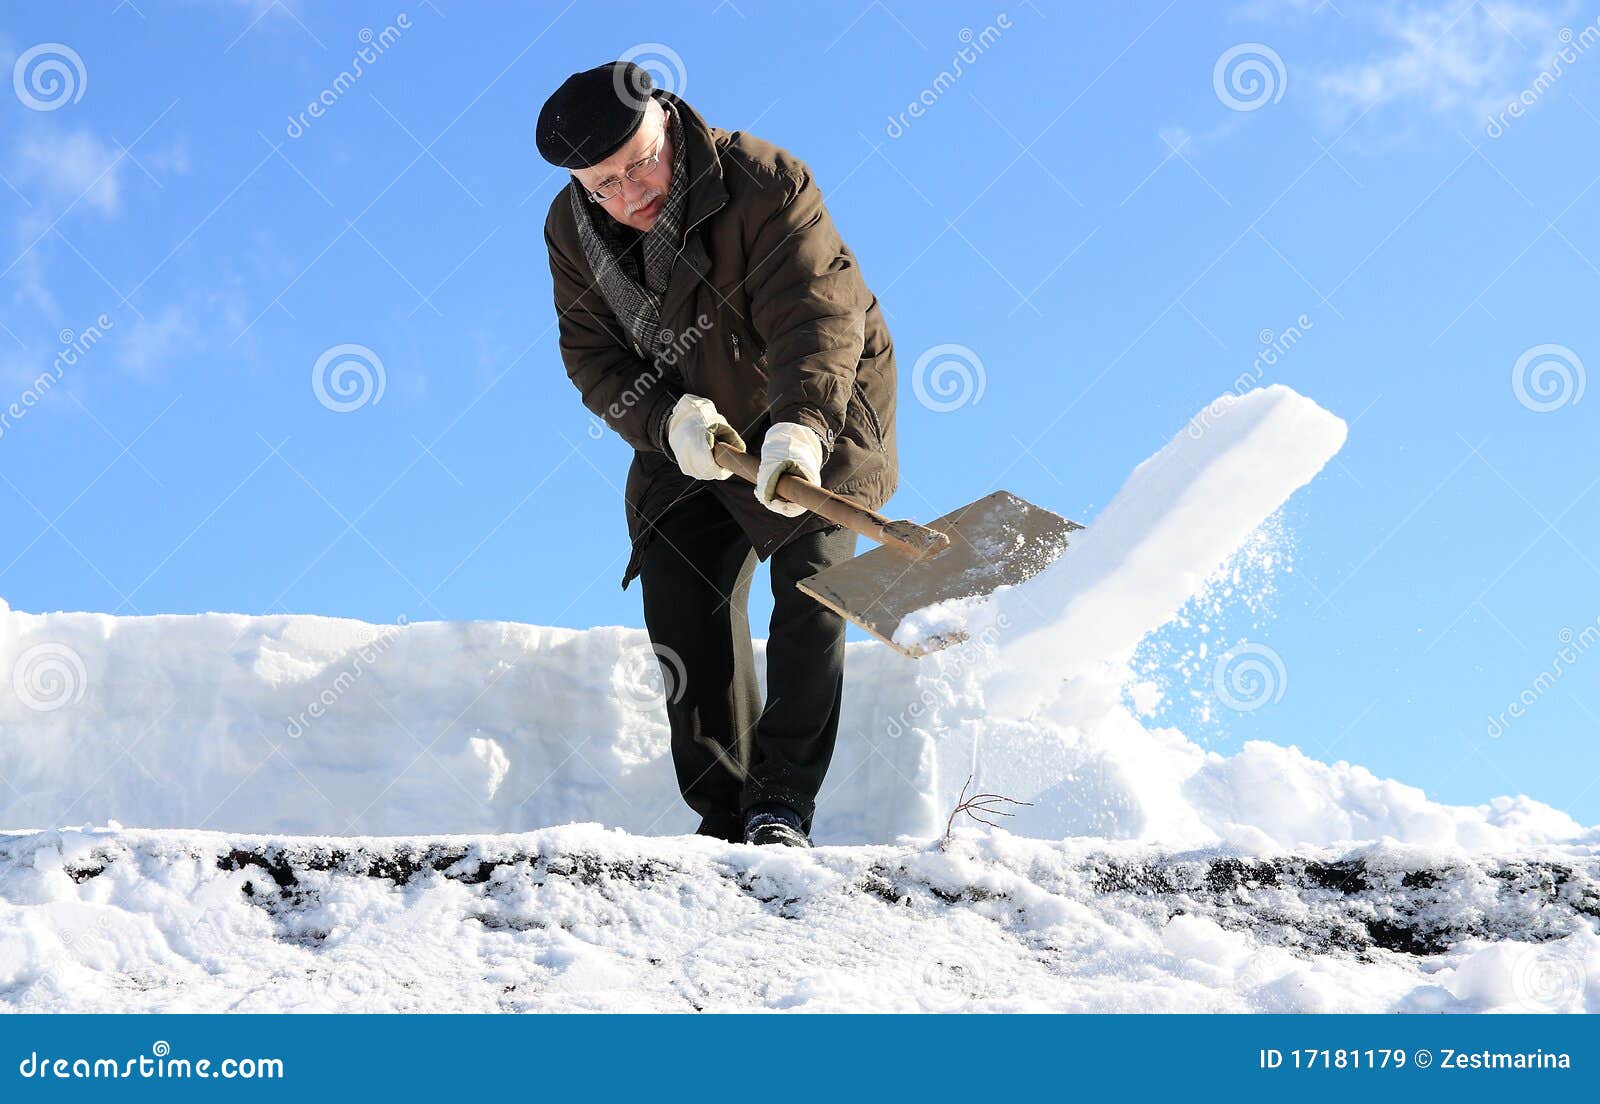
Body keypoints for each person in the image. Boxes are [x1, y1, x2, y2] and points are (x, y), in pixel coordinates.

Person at [536, 61, 897, 847]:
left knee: (814, 588)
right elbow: (592, 357)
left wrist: (799, 428)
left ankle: (780, 806)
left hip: (820, 398)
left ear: (663, 120)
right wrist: (666, 422)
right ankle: (725, 816)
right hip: (690, 426)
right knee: (678, 595)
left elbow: (814, 315)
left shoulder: (762, 180)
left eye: (639, 165)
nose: (629, 196)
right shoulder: (570, 231)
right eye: (603, 185)